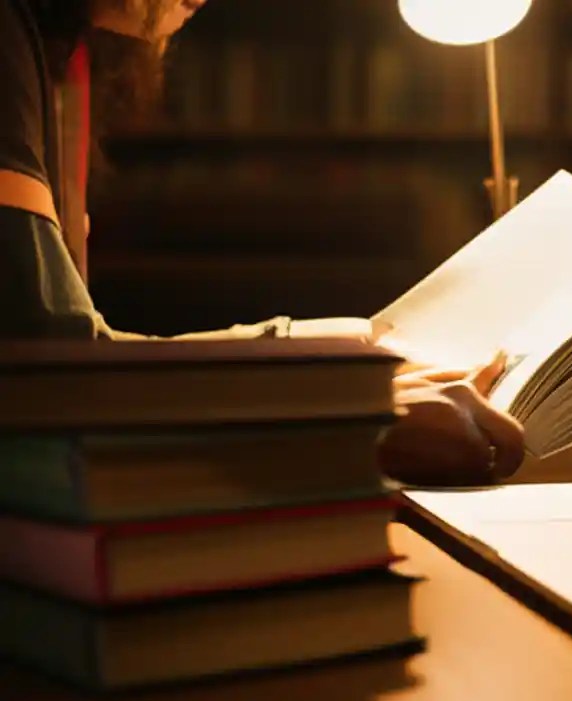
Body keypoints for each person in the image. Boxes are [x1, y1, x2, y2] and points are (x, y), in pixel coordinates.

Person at [0, 0, 525, 483]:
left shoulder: (54, 50)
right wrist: (345, 415)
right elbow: (48, 376)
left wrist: (327, 348)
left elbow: (71, 356)